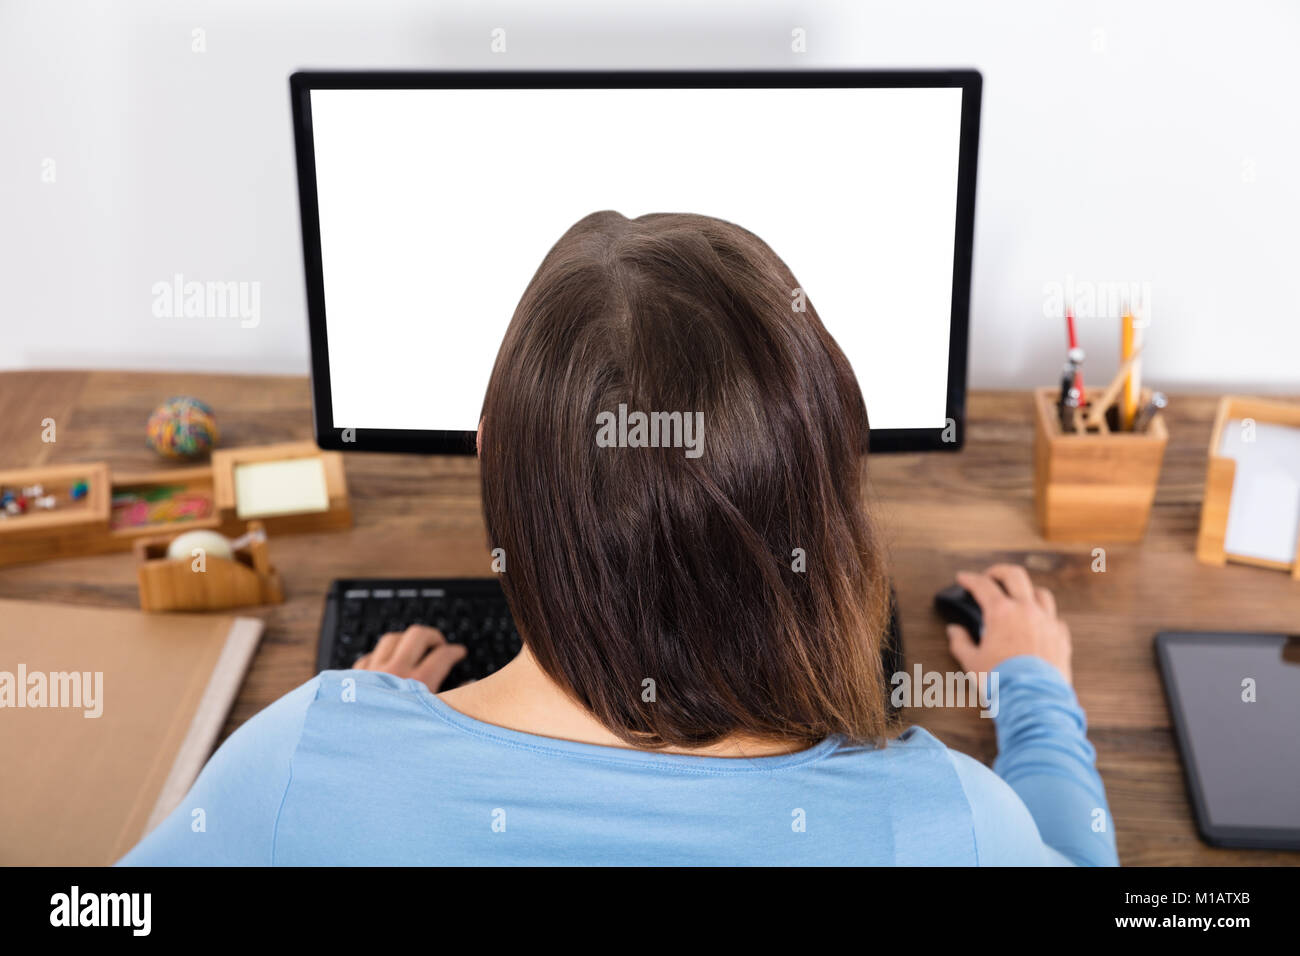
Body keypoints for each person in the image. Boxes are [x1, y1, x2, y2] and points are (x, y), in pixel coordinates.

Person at [119, 211, 1117, 866]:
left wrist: (372, 731)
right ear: (820, 496)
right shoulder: (949, 822)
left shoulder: (301, 754)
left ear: (489, 457)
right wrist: (1035, 693)